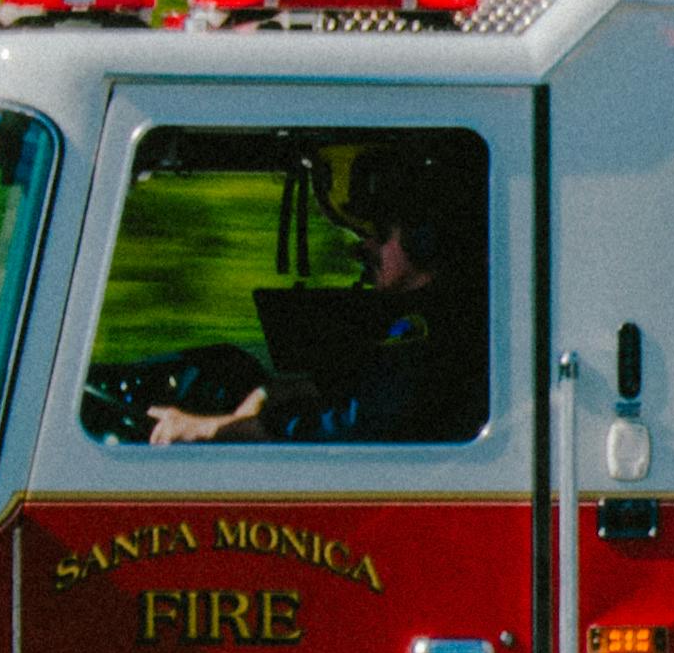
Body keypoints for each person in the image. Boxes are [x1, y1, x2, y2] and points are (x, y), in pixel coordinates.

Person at [146, 160, 483, 445]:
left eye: (380, 232)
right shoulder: (438, 318)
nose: (365, 246)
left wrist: (205, 429)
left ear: (423, 242)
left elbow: (355, 426)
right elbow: (369, 386)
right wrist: (288, 390)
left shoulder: (428, 331)